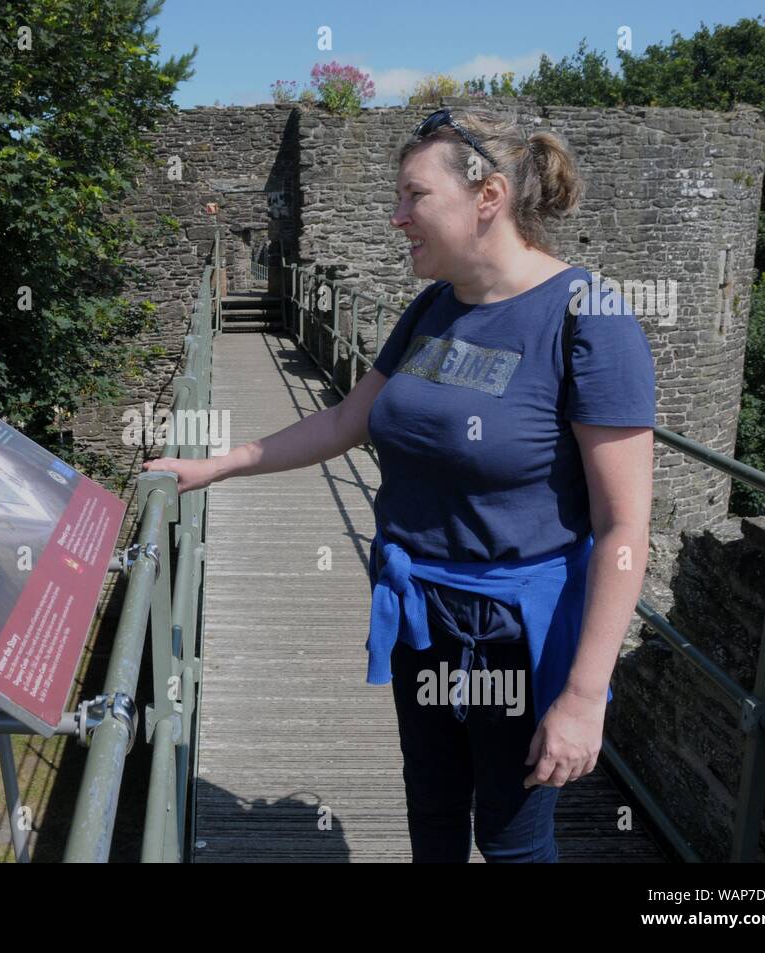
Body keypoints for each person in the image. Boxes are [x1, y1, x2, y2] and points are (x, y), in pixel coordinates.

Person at [143, 107, 656, 862]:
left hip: (518, 631)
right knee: (435, 810)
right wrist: (216, 463)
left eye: (415, 196)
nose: (396, 217)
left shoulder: (589, 316)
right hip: (420, 612)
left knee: (513, 840)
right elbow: (347, 420)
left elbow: (623, 530)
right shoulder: (434, 306)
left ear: (488, 196)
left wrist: (583, 697)